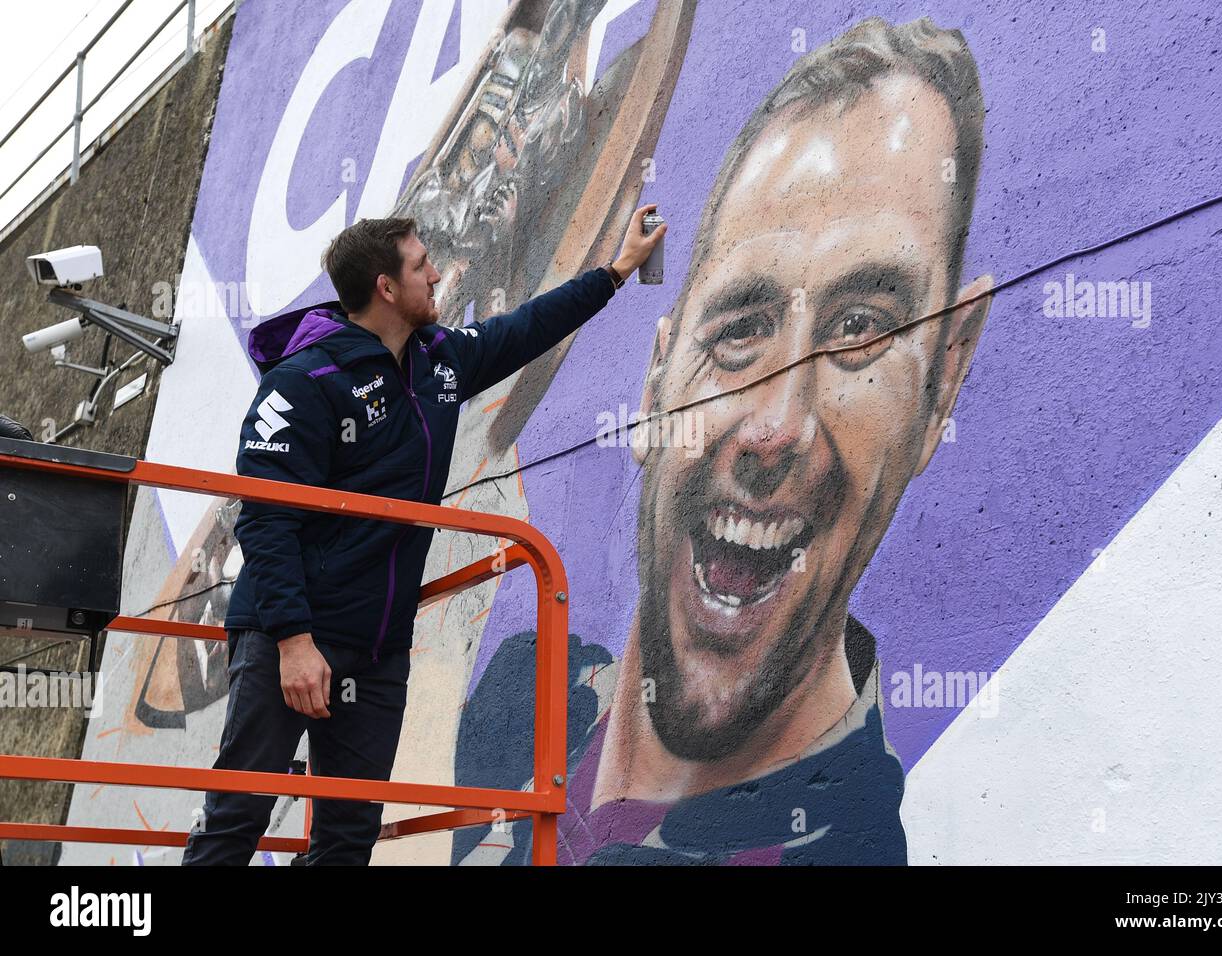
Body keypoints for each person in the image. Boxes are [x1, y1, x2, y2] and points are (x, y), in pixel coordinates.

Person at [452, 16, 994, 864]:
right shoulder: (517, 701)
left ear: (943, 382)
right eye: (741, 327)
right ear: (653, 385)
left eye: (862, 328)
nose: (777, 426)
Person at [182, 206, 666, 865]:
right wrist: (293, 643)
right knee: (236, 818)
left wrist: (614, 272)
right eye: (420, 265)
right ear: (385, 287)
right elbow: (265, 518)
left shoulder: (438, 364)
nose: (436, 274)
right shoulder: (304, 382)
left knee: (347, 839)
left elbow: (524, 330)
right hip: (288, 635)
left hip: (377, 647)